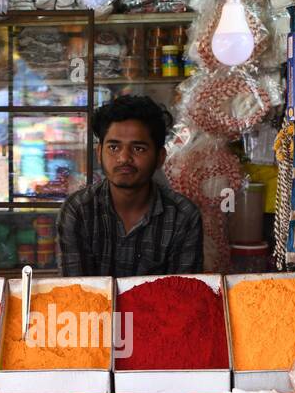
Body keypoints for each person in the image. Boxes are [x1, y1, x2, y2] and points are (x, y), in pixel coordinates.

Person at [57, 95, 204, 276]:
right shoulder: (78, 210)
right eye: (113, 147)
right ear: (99, 152)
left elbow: (183, 294)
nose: (124, 158)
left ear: (160, 157)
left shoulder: (183, 216)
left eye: (138, 148)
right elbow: (76, 292)